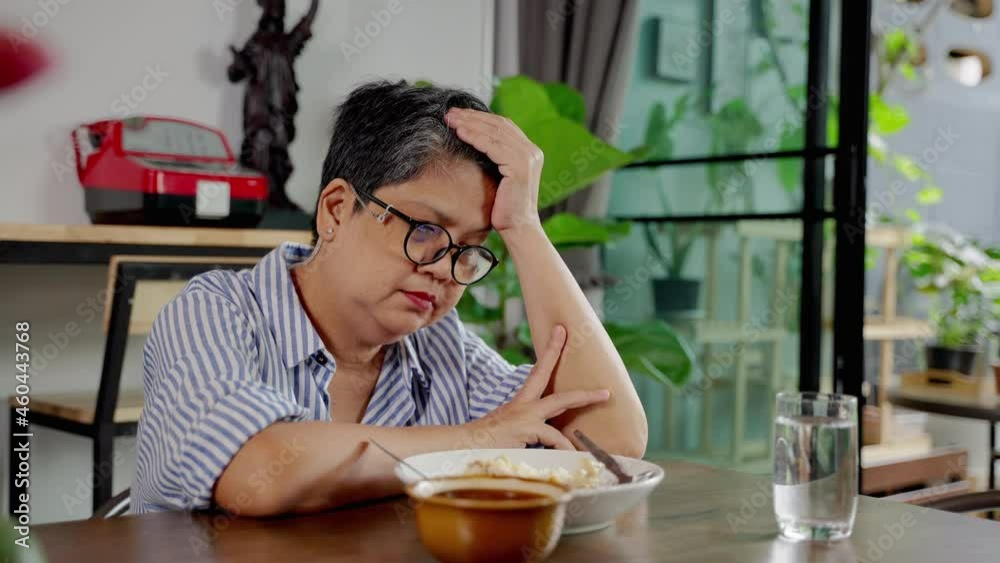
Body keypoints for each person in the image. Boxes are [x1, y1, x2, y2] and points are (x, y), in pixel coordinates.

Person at [133, 80, 648, 516]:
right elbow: (258, 472)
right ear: (336, 211)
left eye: (470, 250)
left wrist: (524, 227)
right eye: (425, 229)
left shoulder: (443, 349)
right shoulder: (216, 311)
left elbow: (609, 442)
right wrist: (478, 440)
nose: (447, 269)